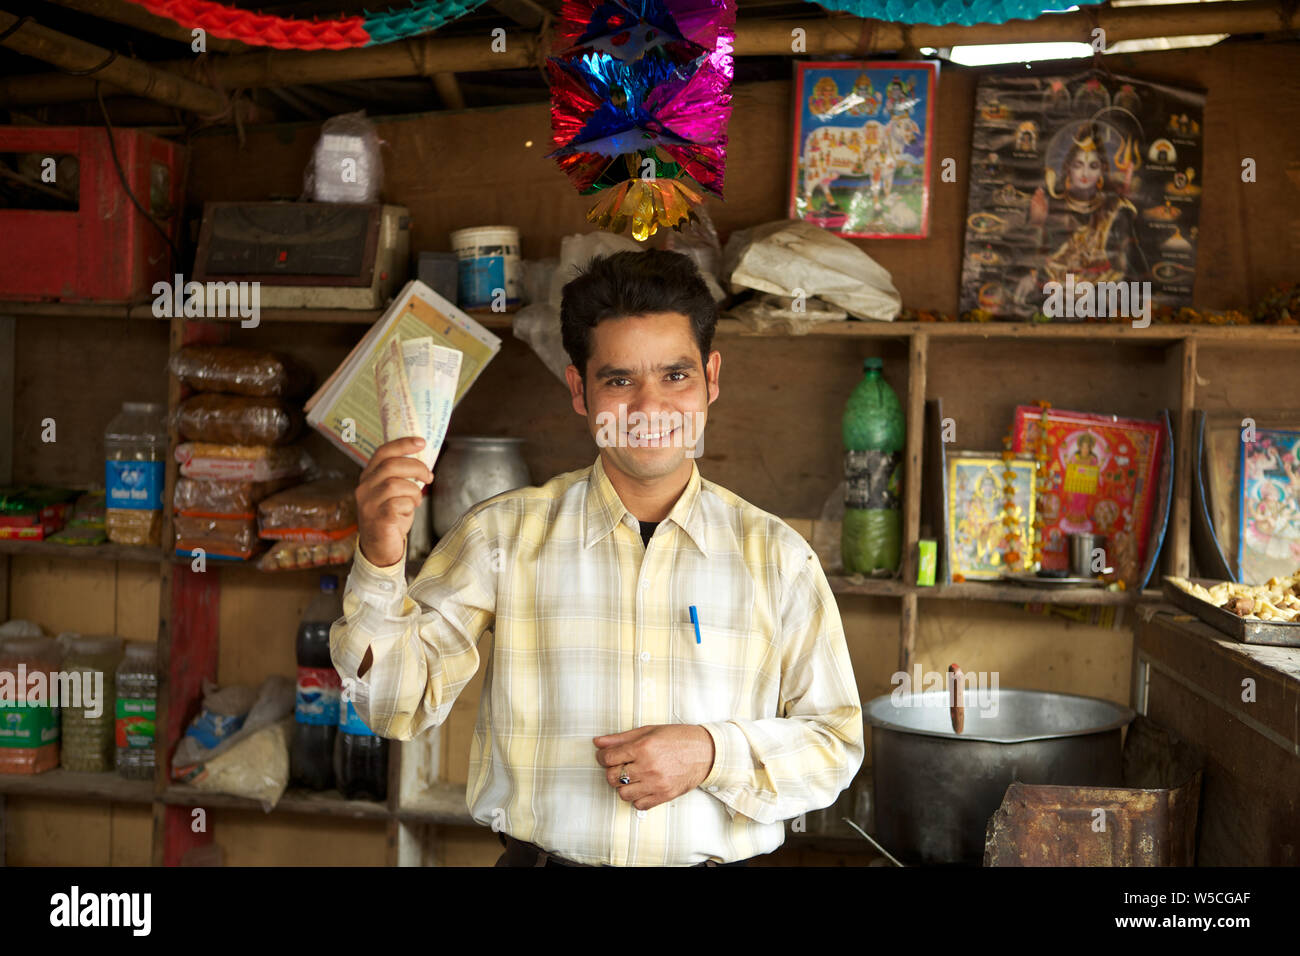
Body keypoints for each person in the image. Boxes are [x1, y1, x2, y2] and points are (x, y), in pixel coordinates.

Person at [330, 250, 864, 867]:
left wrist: (712, 753)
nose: (649, 409)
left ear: (711, 379)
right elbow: (393, 706)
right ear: (579, 390)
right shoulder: (503, 536)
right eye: (619, 380)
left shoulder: (776, 557)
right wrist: (379, 556)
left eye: (675, 376)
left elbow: (835, 743)